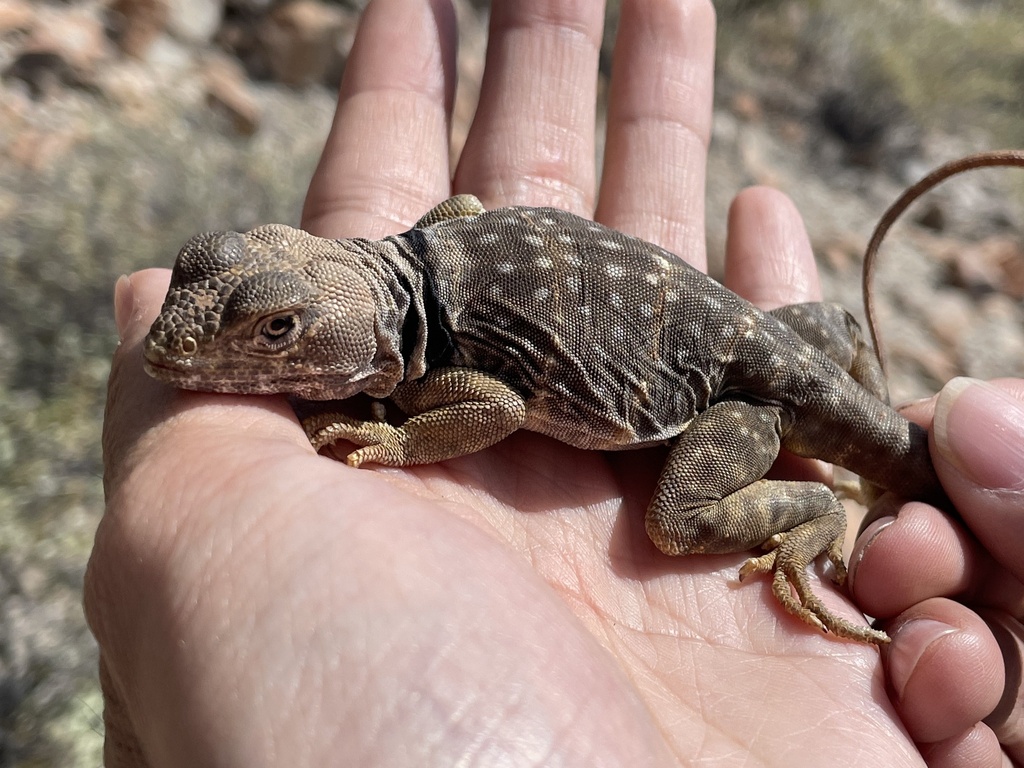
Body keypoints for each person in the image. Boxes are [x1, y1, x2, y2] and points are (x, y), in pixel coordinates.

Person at [86, 0, 1024, 765]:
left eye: (277, 333)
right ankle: (859, 402)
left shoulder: (420, 366)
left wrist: (408, 440)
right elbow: (461, 209)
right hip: (766, 341)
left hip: (744, 397)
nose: (227, 350)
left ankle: (814, 517)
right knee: (837, 364)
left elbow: (492, 404)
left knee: (675, 522)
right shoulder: (420, 252)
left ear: (348, 323)